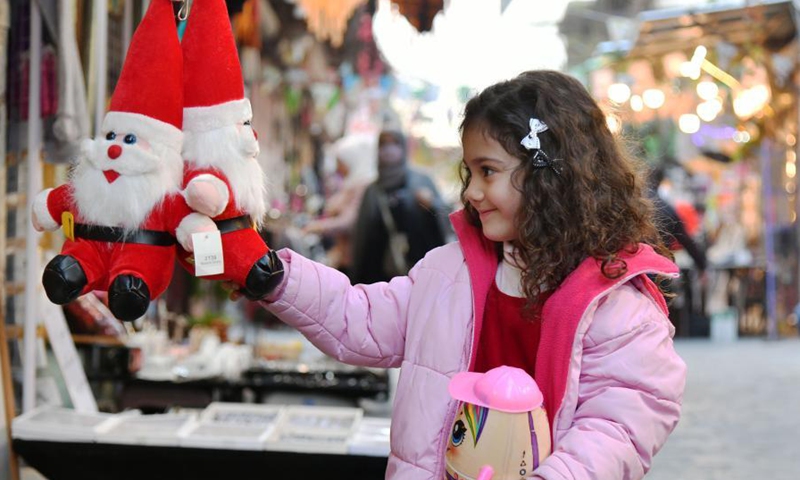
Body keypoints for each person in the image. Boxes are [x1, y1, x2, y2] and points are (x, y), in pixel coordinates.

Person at [244, 71, 686, 479]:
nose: (472, 192)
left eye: (488, 171)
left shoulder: (616, 302)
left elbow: (619, 423)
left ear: (549, 175)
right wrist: (272, 275)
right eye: (469, 172)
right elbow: (357, 318)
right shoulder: (447, 272)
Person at [349, 129, 451, 283]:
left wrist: (430, 204)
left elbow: (445, 217)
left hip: (420, 278)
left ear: (403, 147)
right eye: (384, 144)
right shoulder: (372, 191)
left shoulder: (421, 181)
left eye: (394, 143)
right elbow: (362, 241)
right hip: (380, 282)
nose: (389, 150)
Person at [303, 133, 377, 279]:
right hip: (342, 257)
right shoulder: (352, 183)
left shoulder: (362, 187)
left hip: (351, 261)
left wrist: (316, 227)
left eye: (340, 162)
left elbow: (349, 222)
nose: (337, 167)